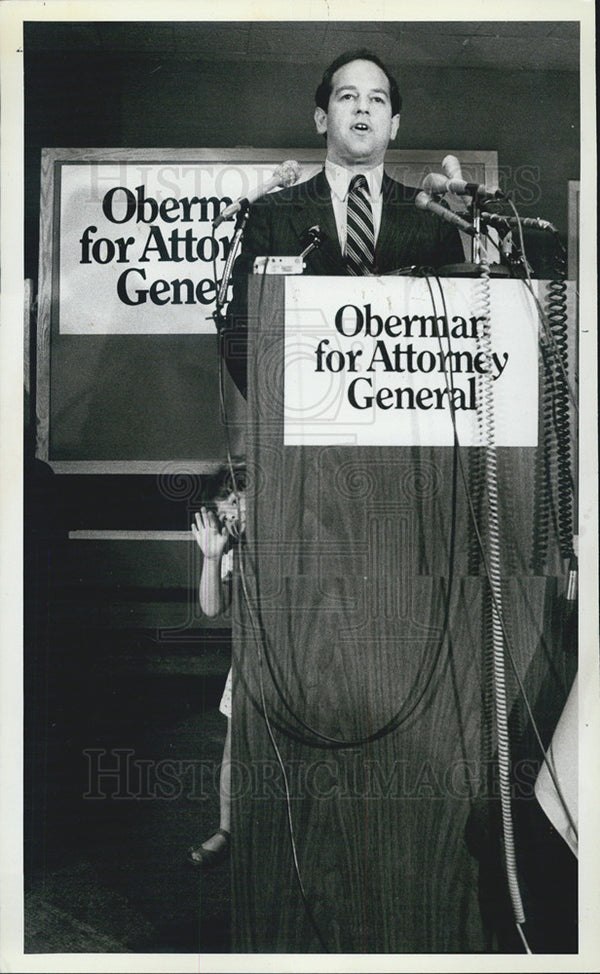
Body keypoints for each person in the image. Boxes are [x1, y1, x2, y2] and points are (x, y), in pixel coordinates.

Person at [221, 49, 465, 397]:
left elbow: (459, 332)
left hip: (410, 416)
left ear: (394, 125)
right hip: (303, 419)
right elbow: (240, 329)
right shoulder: (272, 213)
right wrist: (279, 411)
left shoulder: (431, 215)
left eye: (376, 99)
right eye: (348, 96)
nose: (362, 107)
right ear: (321, 119)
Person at [188, 487, 245, 868]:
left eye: (241, 503)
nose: (234, 516)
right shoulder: (229, 550)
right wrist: (212, 557)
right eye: (227, 511)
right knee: (235, 746)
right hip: (252, 660)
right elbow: (211, 608)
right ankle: (227, 830)